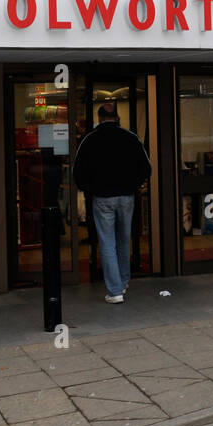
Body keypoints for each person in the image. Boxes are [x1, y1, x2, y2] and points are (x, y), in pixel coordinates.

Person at [73, 103, 152, 303]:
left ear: (99, 118)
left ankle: (115, 290)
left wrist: (89, 189)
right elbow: (146, 168)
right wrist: (134, 184)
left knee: (107, 243)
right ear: (116, 118)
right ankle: (123, 281)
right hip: (126, 196)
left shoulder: (88, 139)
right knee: (124, 239)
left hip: (102, 198)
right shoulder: (131, 137)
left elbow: (77, 172)